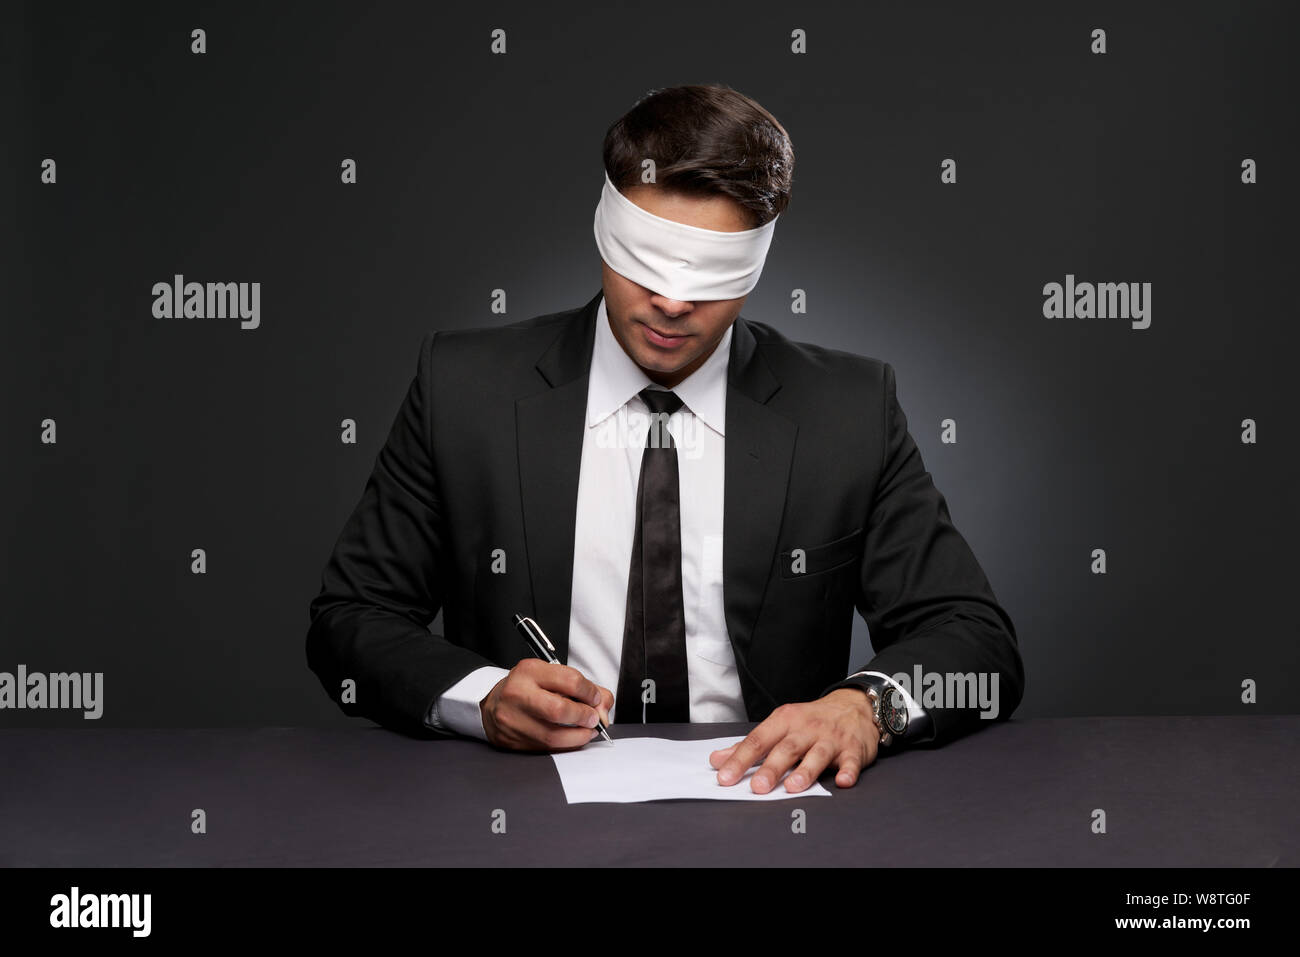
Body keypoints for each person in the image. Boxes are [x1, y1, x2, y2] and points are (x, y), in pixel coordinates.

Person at [306, 83, 1024, 794]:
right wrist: (482, 697)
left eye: (712, 272)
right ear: (602, 225)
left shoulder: (849, 411)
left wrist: (868, 707)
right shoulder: (464, 390)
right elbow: (351, 618)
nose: (674, 302)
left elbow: (977, 638)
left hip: (773, 811)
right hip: (522, 811)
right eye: (646, 258)